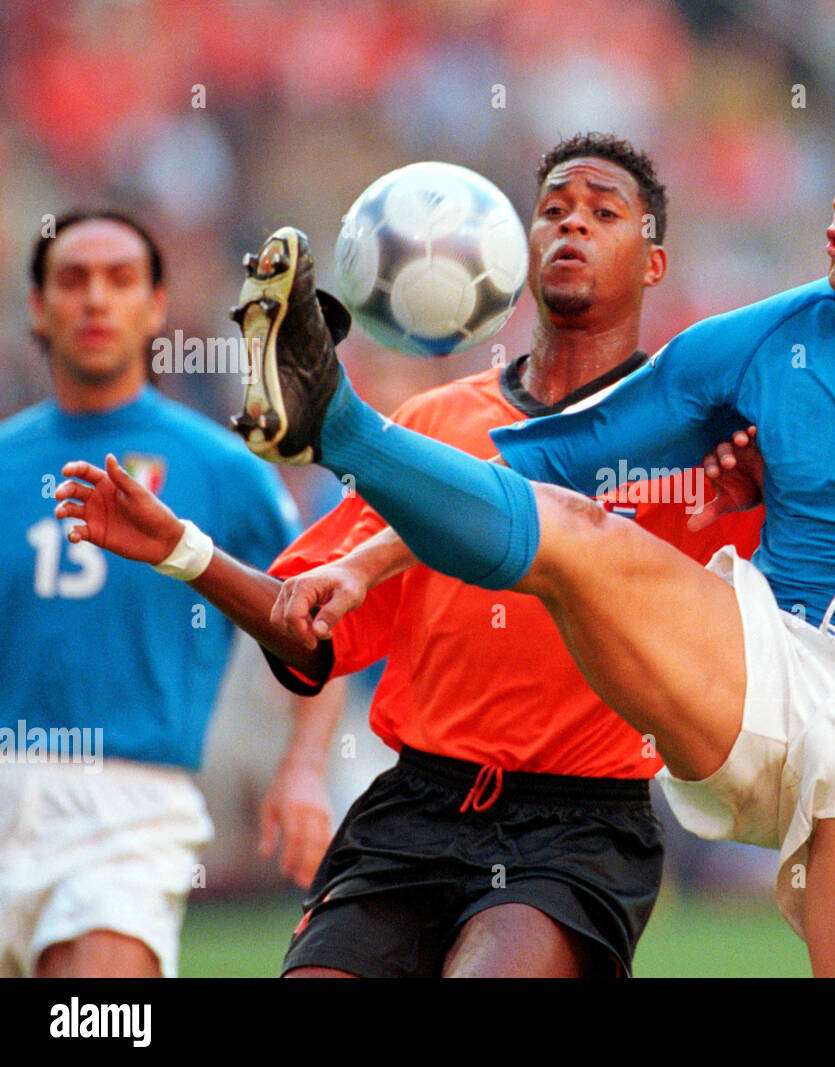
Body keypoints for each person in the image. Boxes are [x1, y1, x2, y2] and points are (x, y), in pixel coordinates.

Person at [56, 134, 763, 977]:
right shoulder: (431, 427)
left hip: (576, 828)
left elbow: (757, 642)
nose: (572, 226)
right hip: (413, 808)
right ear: (520, 250)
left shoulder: (705, 447)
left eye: (604, 213)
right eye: (553, 212)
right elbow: (310, 633)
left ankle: (329, 421)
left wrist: (748, 497)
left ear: (653, 263)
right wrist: (183, 550)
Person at [0, 211, 337, 979]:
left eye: (120, 280)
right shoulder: (3, 462)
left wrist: (305, 764)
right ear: (37, 305)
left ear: (155, 308)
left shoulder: (221, 468)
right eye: (73, 279)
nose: (95, 300)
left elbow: (313, 620)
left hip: (124, 809)